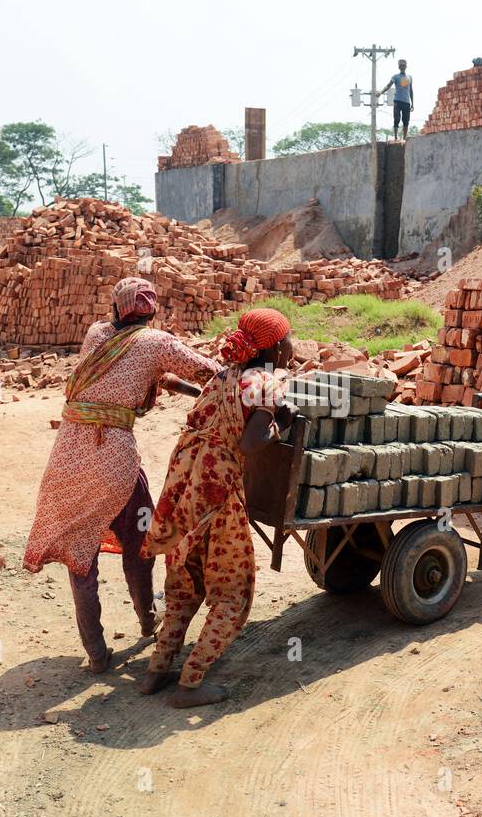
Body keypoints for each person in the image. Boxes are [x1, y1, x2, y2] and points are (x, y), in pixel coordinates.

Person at [23, 277, 220, 673]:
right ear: (151, 313)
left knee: (81, 557)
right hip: (114, 461)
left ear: (116, 308)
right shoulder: (156, 343)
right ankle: (148, 619)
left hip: (67, 459)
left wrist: (168, 383)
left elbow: (139, 374)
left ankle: (96, 654)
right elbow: (207, 371)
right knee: (140, 540)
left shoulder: (97, 334)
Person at [138, 308, 296, 708]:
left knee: (185, 584)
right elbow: (249, 442)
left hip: (184, 490)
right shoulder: (267, 382)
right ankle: (190, 685)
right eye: (289, 339)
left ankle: (156, 671)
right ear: (276, 347)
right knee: (231, 591)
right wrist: (279, 427)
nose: (292, 346)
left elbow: (223, 406)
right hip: (218, 494)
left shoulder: (225, 376)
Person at [380, 59, 414, 141]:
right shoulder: (395, 77)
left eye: (403, 65)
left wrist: (412, 103)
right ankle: (395, 137)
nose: (402, 66)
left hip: (406, 102)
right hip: (397, 101)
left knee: (406, 120)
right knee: (396, 119)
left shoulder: (409, 77)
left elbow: (411, 90)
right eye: (401, 65)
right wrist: (381, 92)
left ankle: (404, 138)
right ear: (398, 66)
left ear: (406, 66)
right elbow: (388, 86)